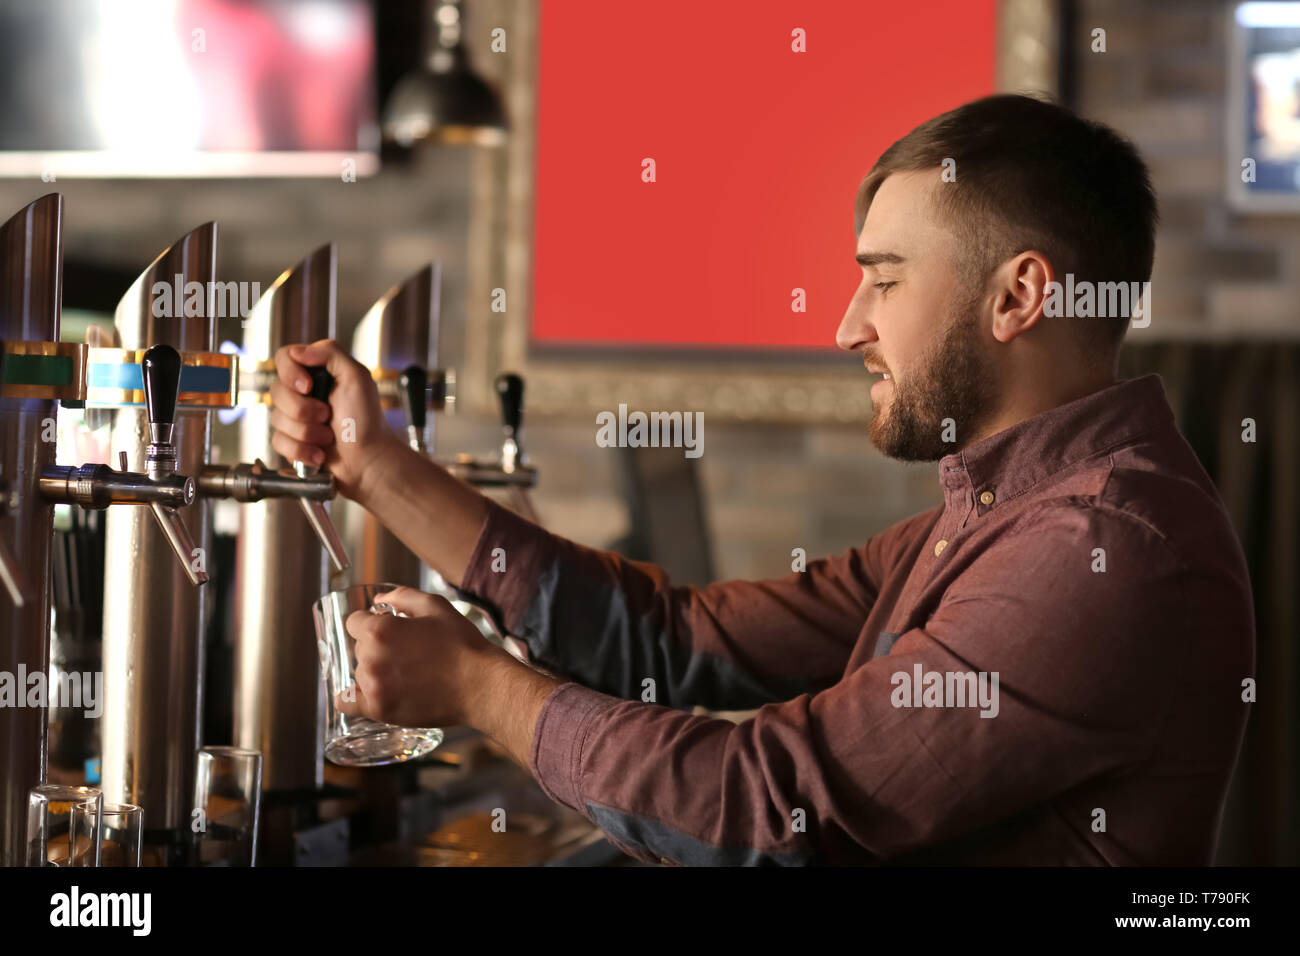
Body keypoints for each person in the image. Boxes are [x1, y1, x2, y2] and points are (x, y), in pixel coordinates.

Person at [268, 94, 1254, 865]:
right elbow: (680, 639)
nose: (847, 324)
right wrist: (377, 466)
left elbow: (767, 805)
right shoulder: (996, 515)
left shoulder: (1098, 550)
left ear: (1017, 295)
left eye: (887, 276)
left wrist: (478, 686)